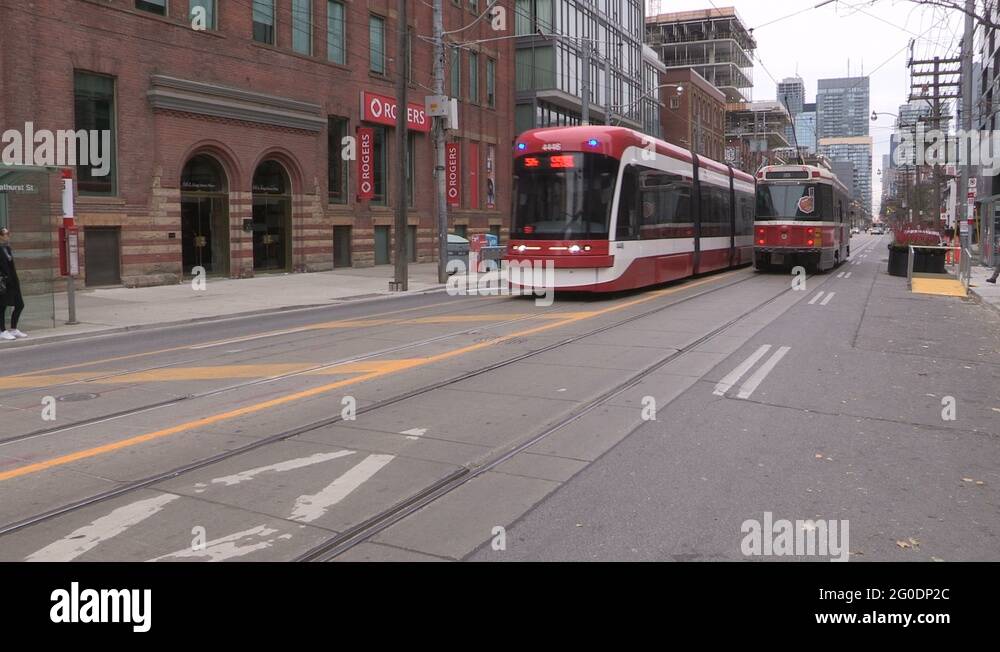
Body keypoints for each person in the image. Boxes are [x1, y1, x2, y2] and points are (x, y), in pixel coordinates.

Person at [0, 227, 27, 340]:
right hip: (4, 282)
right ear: (0, 236)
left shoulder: (7, 248)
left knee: (20, 304)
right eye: (6, 234)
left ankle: (13, 328)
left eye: (8, 233)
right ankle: (2, 330)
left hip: (13, 281)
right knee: (2, 306)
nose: (8, 236)